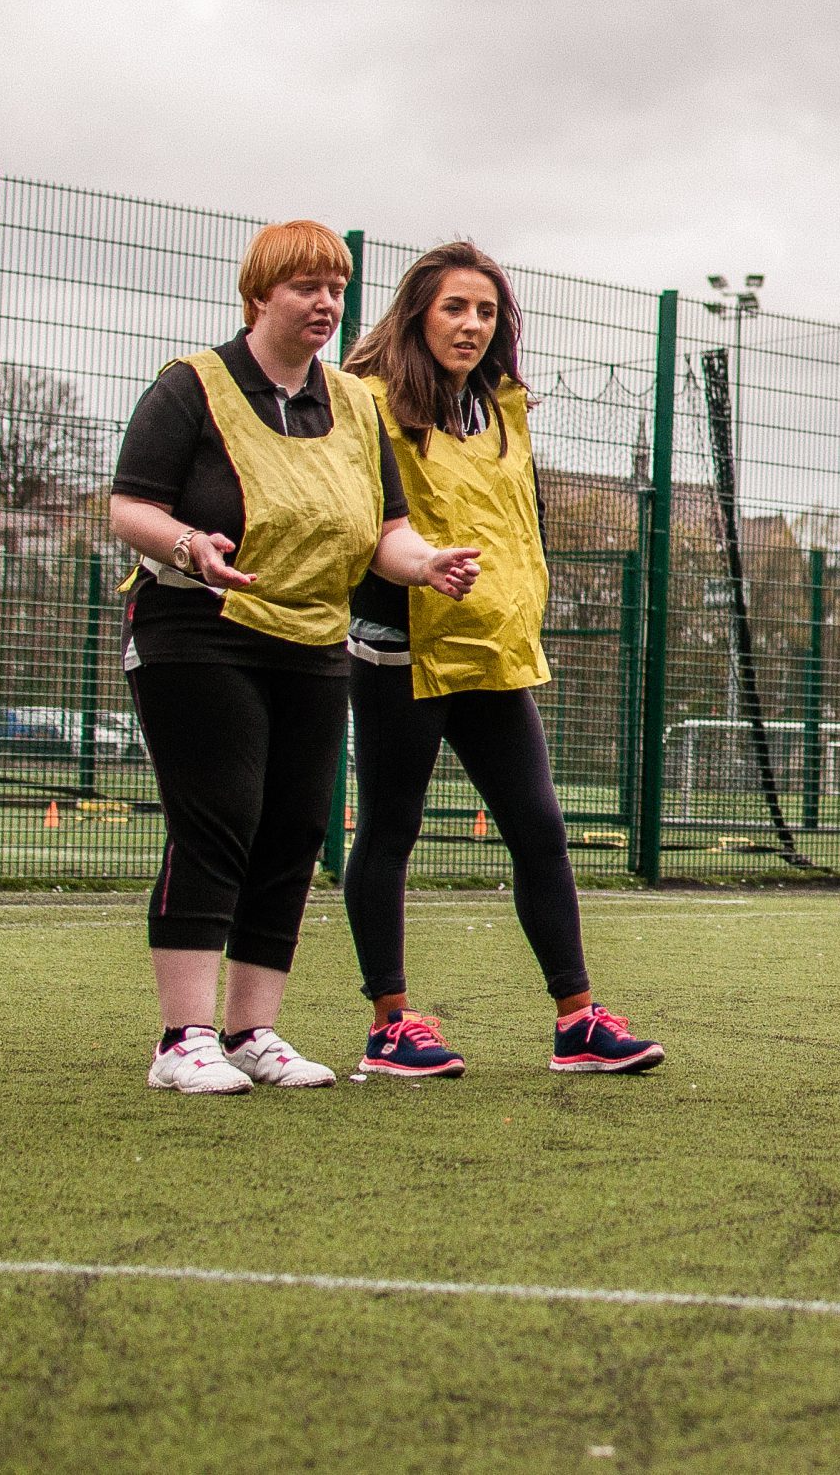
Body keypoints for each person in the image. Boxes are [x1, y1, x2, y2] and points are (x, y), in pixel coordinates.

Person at [108, 220, 480, 1096]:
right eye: (306, 285)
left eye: (336, 287)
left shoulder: (353, 401)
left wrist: (422, 562)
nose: (325, 302)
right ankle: (181, 1037)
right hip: (198, 628)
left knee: (295, 829)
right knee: (221, 817)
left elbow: (383, 529)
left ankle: (250, 1030)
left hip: (315, 637)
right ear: (259, 295)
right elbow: (129, 506)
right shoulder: (190, 387)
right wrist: (190, 543)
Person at [338, 242, 664, 1079]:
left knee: (541, 829)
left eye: (486, 311)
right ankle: (390, 1025)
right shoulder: (367, 402)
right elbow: (364, 524)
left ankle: (578, 1019)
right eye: (455, 307)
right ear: (418, 312)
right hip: (401, 648)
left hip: (495, 650)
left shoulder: (504, 406)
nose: (472, 325)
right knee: (390, 828)